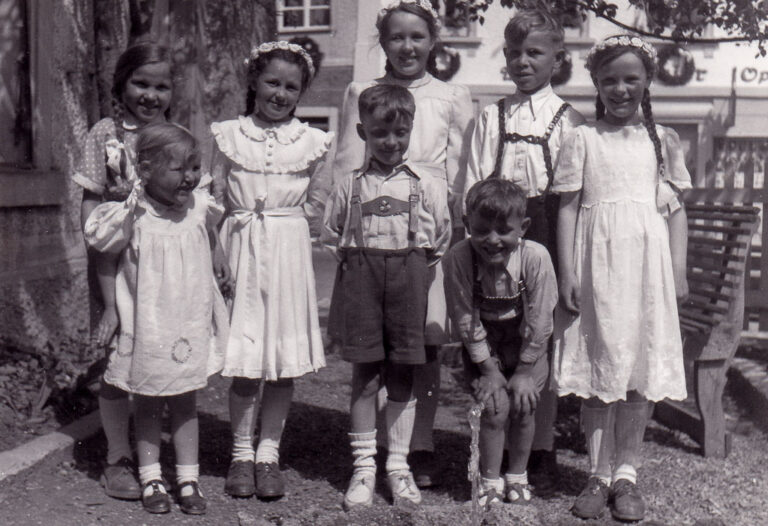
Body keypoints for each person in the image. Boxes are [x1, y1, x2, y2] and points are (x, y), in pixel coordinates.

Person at [331, 0, 474, 487]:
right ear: (383, 43)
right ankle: (371, 453)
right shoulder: (361, 91)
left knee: (424, 341)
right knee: (377, 348)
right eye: (396, 37)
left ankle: (419, 445)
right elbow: (348, 163)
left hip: (427, 220)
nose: (407, 46)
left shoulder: (451, 95)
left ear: (433, 40)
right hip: (375, 220)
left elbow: (460, 167)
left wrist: (452, 226)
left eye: (417, 36)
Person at [553, 34, 690, 522]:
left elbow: (675, 213)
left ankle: (626, 475)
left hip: (645, 272)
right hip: (597, 269)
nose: (620, 89)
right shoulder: (583, 138)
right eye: (609, 80)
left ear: (648, 82)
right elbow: (568, 209)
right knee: (600, 366)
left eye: (631, 79)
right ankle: (596, 474)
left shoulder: (661, 141)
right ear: (595, 83)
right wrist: (568, 270)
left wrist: (676, 269)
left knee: (635, 372)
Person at [462, 9, 585, 493]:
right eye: (513, 52)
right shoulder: (490, 116)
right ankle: (490, 441)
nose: (522, 61)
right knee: (498, 333)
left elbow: (576, 193)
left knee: (544, 337)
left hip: (549, 232)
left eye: (533, 52)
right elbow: (473, 183)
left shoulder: (569, 119)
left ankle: (541, 446)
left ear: (558, 58)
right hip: (495, 235)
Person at [84, 123, 230, 515]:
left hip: (185, 324)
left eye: (195, 167)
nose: (190, 177)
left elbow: (210, 240)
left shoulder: (200, 206)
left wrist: (219, 260)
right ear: (145, 170)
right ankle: (151, 476)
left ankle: (188, 479)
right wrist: (112, 310)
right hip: (147, 324)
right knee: (147, 402)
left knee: (185, 402)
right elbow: (106, 257)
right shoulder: (131, 213)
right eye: (178, 169)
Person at [211, 41, 332, 500]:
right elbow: (212, 199)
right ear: (253, 82)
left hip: (286, 249)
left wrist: (310, 224)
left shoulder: (312, 141)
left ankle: (268, 454)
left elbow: (319, 199)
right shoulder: (227, 135)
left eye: (291, 86)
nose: (280, 94)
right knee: (244, 358)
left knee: (280, 363)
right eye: (272, 82)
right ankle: (241, 452)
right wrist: (216, 249)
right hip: (240, 246)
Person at [323, 84, 451, 509]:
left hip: (409, 282)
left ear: (411, 130)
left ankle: (398, 465)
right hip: (361, 281)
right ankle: (363, 468)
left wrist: (412, 275)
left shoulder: (427, 185)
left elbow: (441, 240)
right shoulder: (349, 185)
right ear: (363, 132)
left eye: (400, 132)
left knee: (402, 374)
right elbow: (331, 237)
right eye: (380, 133)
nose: (391, 142)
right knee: (365, 377)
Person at [72, 42, 174, 502]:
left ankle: (152, 453)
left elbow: (189, 198)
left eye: (161, 86)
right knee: (116, 357)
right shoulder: (105, 133)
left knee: (153, 354)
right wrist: (97, 241)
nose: (150, 95)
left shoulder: (175, 135)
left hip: (161, 265)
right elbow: (92, 197)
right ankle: (117, 456)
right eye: (141, 83)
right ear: (121, 85)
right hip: (115, 262)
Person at [444, 179, 557, 505]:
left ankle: (518, 476)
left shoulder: (535, 258)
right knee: (495, 409)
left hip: (527, 346)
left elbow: (540, 320)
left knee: (523, 406)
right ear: (467, 225)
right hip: (484, 346)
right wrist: (488, 369)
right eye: (481, 231)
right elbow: (465, 318)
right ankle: (489, 480)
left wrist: (523, 370)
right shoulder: (459, 258)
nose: (492, 240)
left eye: (504, 231)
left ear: (523, 227)